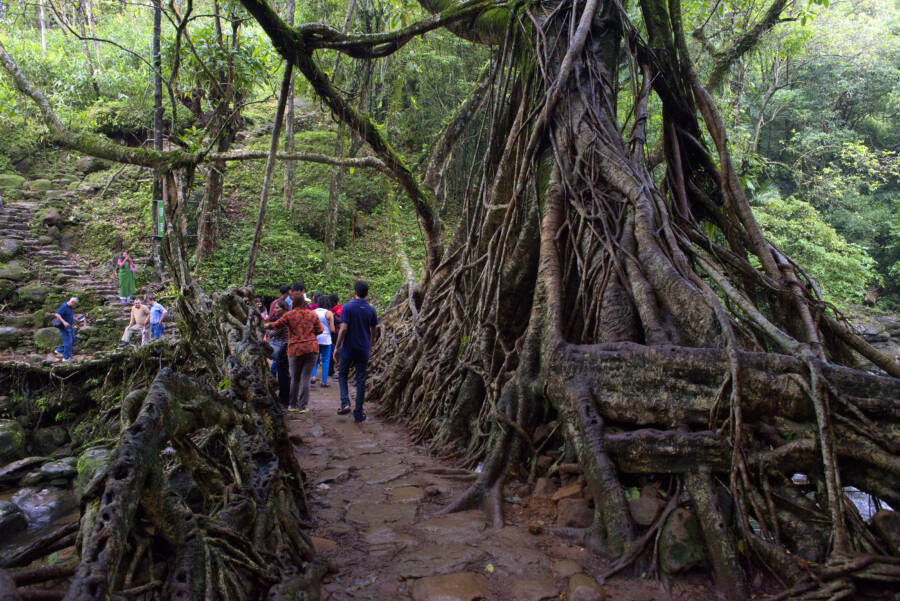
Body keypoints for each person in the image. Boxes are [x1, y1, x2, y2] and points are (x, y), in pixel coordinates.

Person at [265, 282, 322, 412]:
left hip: (295, 349)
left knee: (295, 378)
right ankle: (303, 406)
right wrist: (309, 334)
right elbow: (320, 330)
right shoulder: (312, 314)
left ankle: (292, 405)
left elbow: (276, 325)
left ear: (293, 303)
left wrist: (265, 325)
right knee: (305, 378)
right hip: (311, 348)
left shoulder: (289, 315)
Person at [333, 281, 378, 422]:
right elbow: (373, 330)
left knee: (342, 375)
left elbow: (344, 328)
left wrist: (337, 346)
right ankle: (358, 412)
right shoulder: (371, 310)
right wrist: (370, 345)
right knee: (360, 379)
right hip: (363, 349)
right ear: (367, 293)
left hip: (348, 348)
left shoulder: (347, 307)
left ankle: (345, 403)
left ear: (354, 292)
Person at [267, 299, 291, 406]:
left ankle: (284, 398)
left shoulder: (283, 320)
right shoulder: (284, 318)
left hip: (283, 348)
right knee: (283, 373)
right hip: (285, 348)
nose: (275, 310)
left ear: (284, 309)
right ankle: (284, 397)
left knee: (283, 374)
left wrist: (266, 329)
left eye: (277, 308)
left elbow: (273, 333)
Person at [311, 296, 336, 387]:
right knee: (325, 360)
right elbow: (332, 329)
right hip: (326, 340)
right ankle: (324, 381)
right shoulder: (329, 313)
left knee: (315, 359)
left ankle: (313, 376)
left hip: (315, 339)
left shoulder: (313, 312)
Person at [54, 297, 78, 361]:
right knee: (68, 341)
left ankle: (59, 350)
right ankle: (66, 357)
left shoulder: (70, 307)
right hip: (64, 327)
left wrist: (74, 318)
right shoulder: (64, 306)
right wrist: (64, 322)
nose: (75, 306)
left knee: (72, 338)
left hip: (70, 326)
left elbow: (69, 315)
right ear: (72, 302)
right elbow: (57, 314)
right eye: (75, 304)